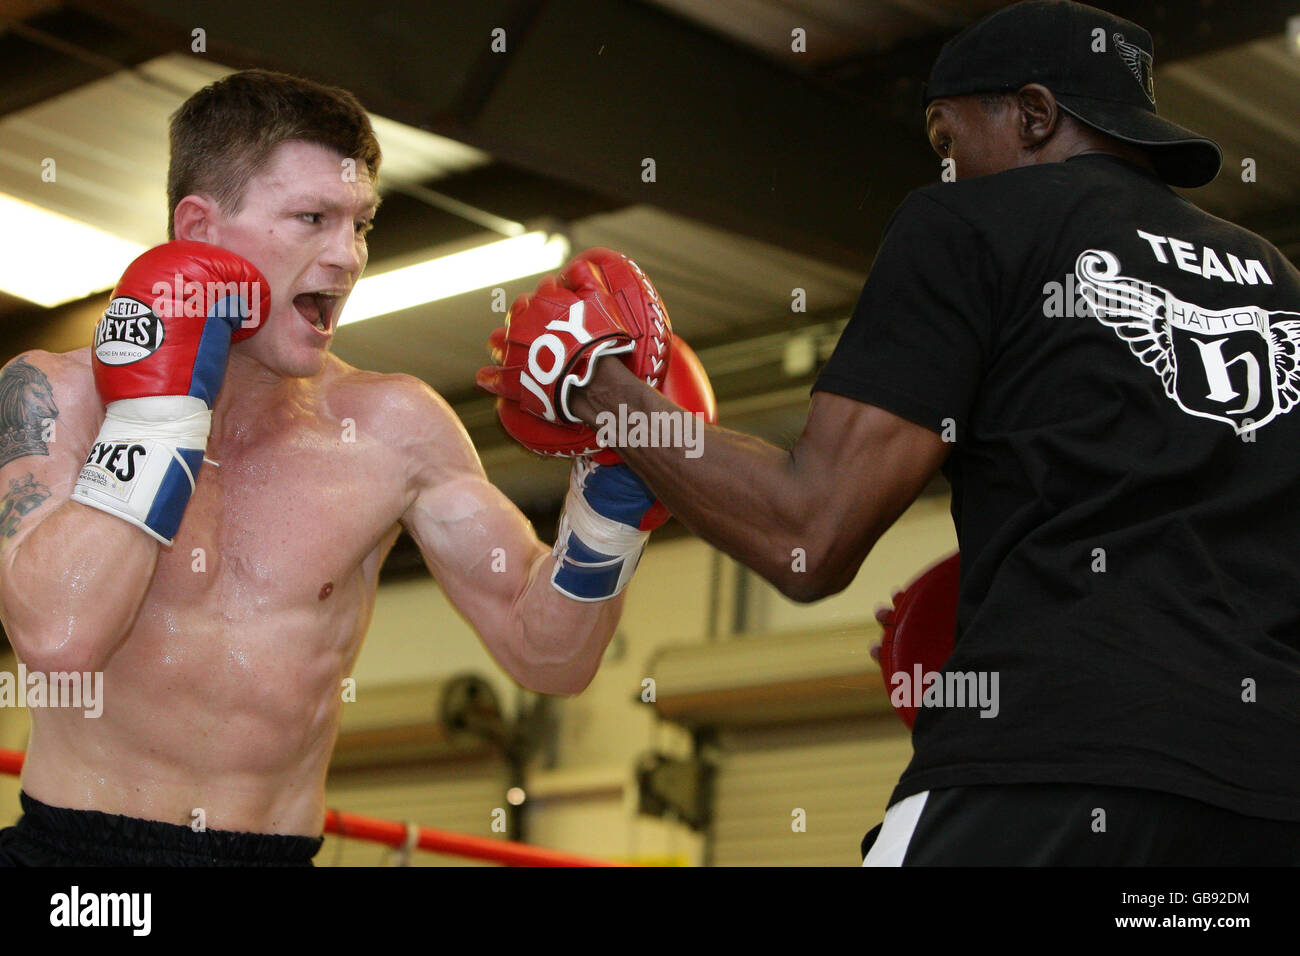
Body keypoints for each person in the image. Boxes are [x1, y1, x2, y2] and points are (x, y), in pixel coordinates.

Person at [488, 0, 1300, 864]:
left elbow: (810, 534)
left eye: (950, 143)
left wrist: (598, 384)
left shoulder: (974, 223)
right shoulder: (1282, 283)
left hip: (1046, 770)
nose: (947, 173)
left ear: (1032, 114)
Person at [0, 69, 707, 866]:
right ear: (197, 229)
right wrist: (153, 416)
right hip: (73, 863)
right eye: (313, 218)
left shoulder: (392, 427)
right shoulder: (53, 395)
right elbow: (58, 636)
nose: (347, 256)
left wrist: (609, 511)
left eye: (361, 224)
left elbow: (553, 657)